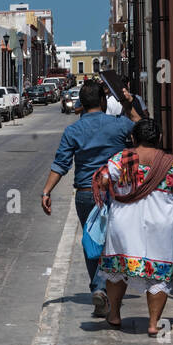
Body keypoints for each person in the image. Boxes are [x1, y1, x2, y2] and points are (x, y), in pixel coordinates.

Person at [40, 80, 141, 317]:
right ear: (104, 102)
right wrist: (128, 104)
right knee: (112, 243)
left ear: (82, 105)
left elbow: (61, 164)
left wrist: (46, 191)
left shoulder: (73, 131)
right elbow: (140, 125)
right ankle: (101, 289)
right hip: (115, 193)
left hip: (86, 194)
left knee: (91, 242)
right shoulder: (118, 125)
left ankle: (99, 289)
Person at [95, 119, 173, 335]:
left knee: (117, 271)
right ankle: (153, 323)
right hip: (160, 227)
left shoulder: (121, 159)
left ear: (133, 138)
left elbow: (102, 181)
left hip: (123, 223)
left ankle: (114, 315)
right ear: (158, 139)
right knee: (159, 274)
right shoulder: (171, 163)